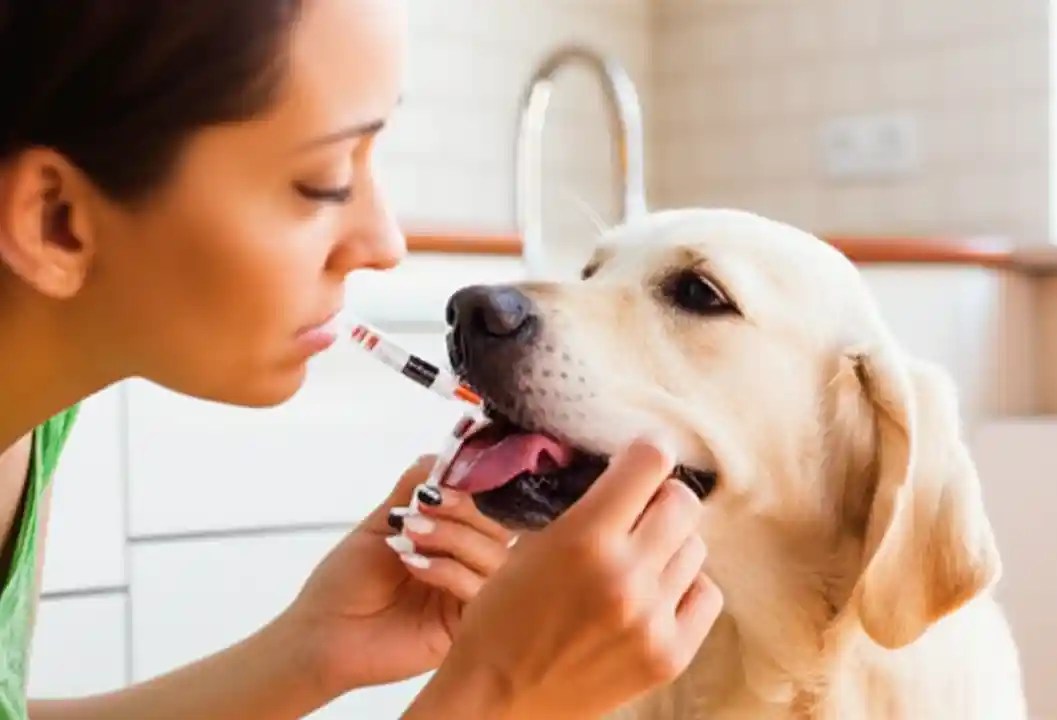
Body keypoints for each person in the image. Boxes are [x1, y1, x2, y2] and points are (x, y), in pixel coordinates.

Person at [0, 1, 723, 719]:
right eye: (324, 181)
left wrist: (309, 651)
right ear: (56, 222)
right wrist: (497, 695)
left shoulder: (33, 419)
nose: (385, 242)